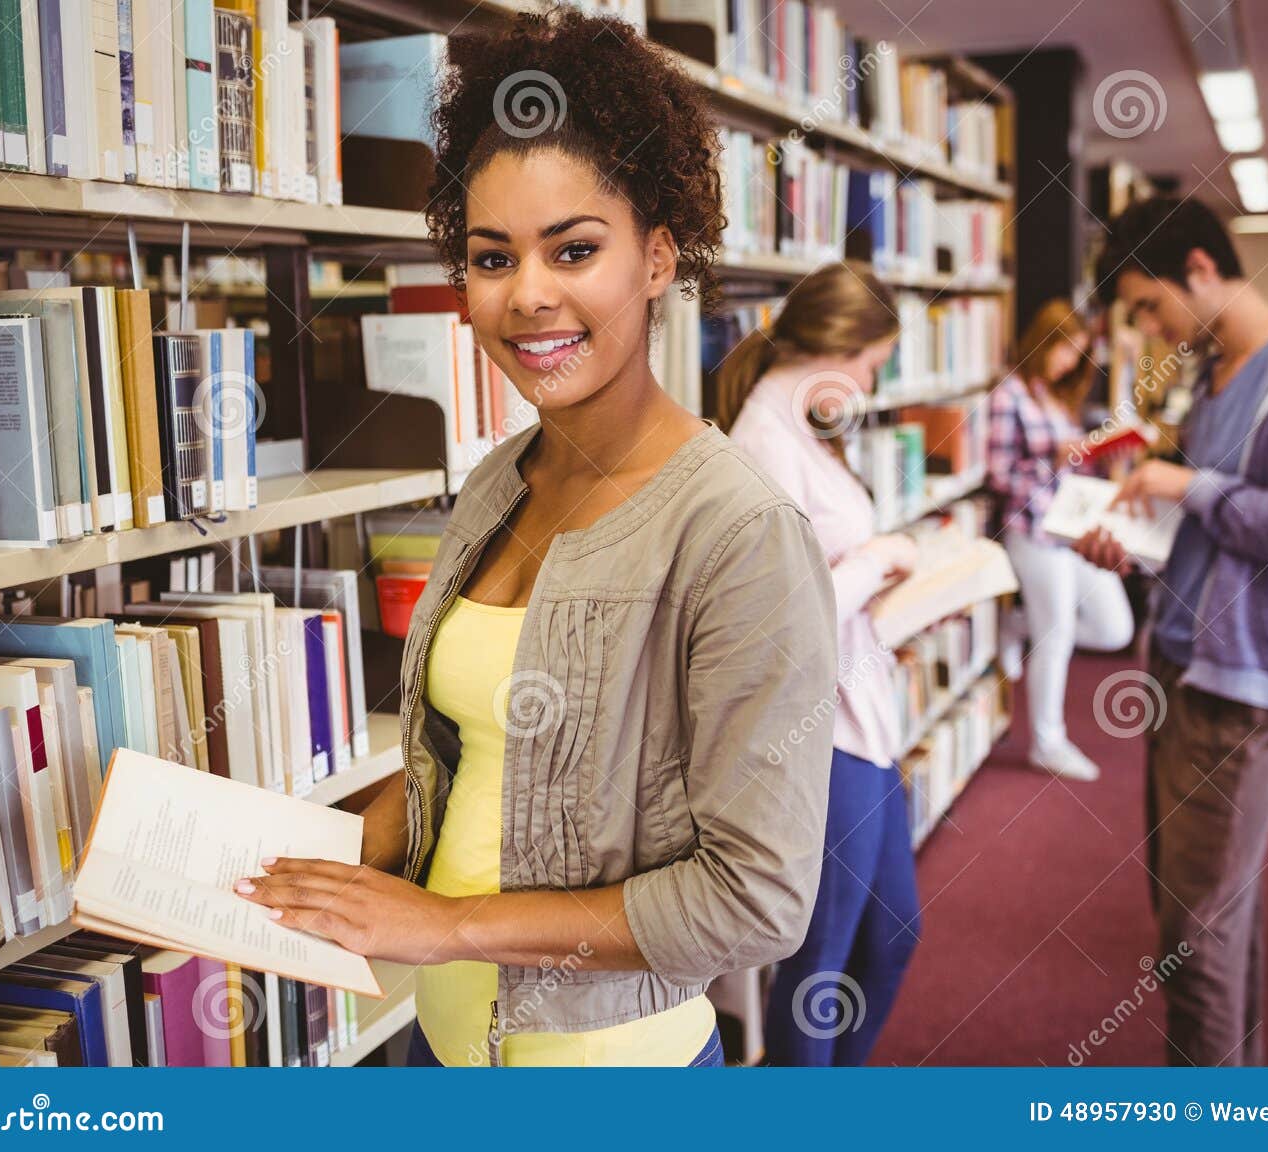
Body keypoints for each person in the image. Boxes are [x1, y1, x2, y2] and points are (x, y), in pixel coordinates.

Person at [234, 7, 839, 1067]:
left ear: (656, 258)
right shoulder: (492, 485)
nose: (528, 296)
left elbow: (755, 900)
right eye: (490, 257)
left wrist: (446, 925)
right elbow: (473, 759)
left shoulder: (737, 533)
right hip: (442, 1046)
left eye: (574, 248)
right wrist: (305, 862)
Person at [1079, 196, 1268, 1065]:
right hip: (1182, 665)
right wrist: (1135, 545)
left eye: (1149, 304)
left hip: (1247, 683)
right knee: (1208, 918)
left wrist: (1188, 488)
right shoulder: (1209, 376)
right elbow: (1213, 536)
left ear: (1202, 270)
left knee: (1194, 943)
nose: (1148, 326)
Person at [720, 265, 923, 1066]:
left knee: (892, 934)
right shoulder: (760, 447)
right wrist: (879, 560)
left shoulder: (804, 432)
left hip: (863, 718)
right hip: (820, 737)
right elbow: (780, 617)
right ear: (839, 348)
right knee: (823, 963)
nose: (871, 384)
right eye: (873, 364)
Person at [986, 300, 1136, 783]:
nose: (1069, 363)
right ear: (1042, 343)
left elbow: (1071, 467)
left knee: (1115, 629)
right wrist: (1053, 454)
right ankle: (1046, 743)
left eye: (1078, 354)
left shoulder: (1055, 396)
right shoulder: (1009, 395)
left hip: (1073, 528)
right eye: (1064, 351)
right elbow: (998, 475)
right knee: (1058, 638)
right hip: (1033, 529)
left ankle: (1017, 624)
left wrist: (1098, 453)